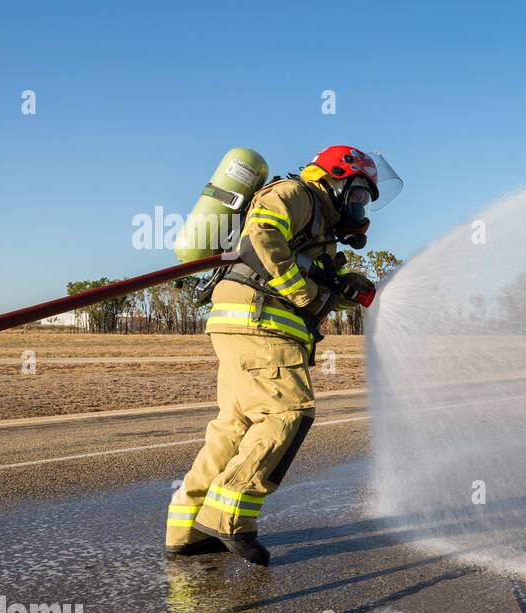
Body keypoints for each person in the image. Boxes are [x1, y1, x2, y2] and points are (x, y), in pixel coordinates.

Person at [164, 146, 398, 565]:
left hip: (245, 323)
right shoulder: (295, 194)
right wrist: (306, 294)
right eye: (359, 195)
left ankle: (185, 525)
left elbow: (315, 276)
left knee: (235, 426)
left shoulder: (318, 226)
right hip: (261, 324)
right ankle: (229, 515)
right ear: (337, 178)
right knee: (287, 414)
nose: (360, 207)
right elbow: (261, 237)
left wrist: (345, 285)